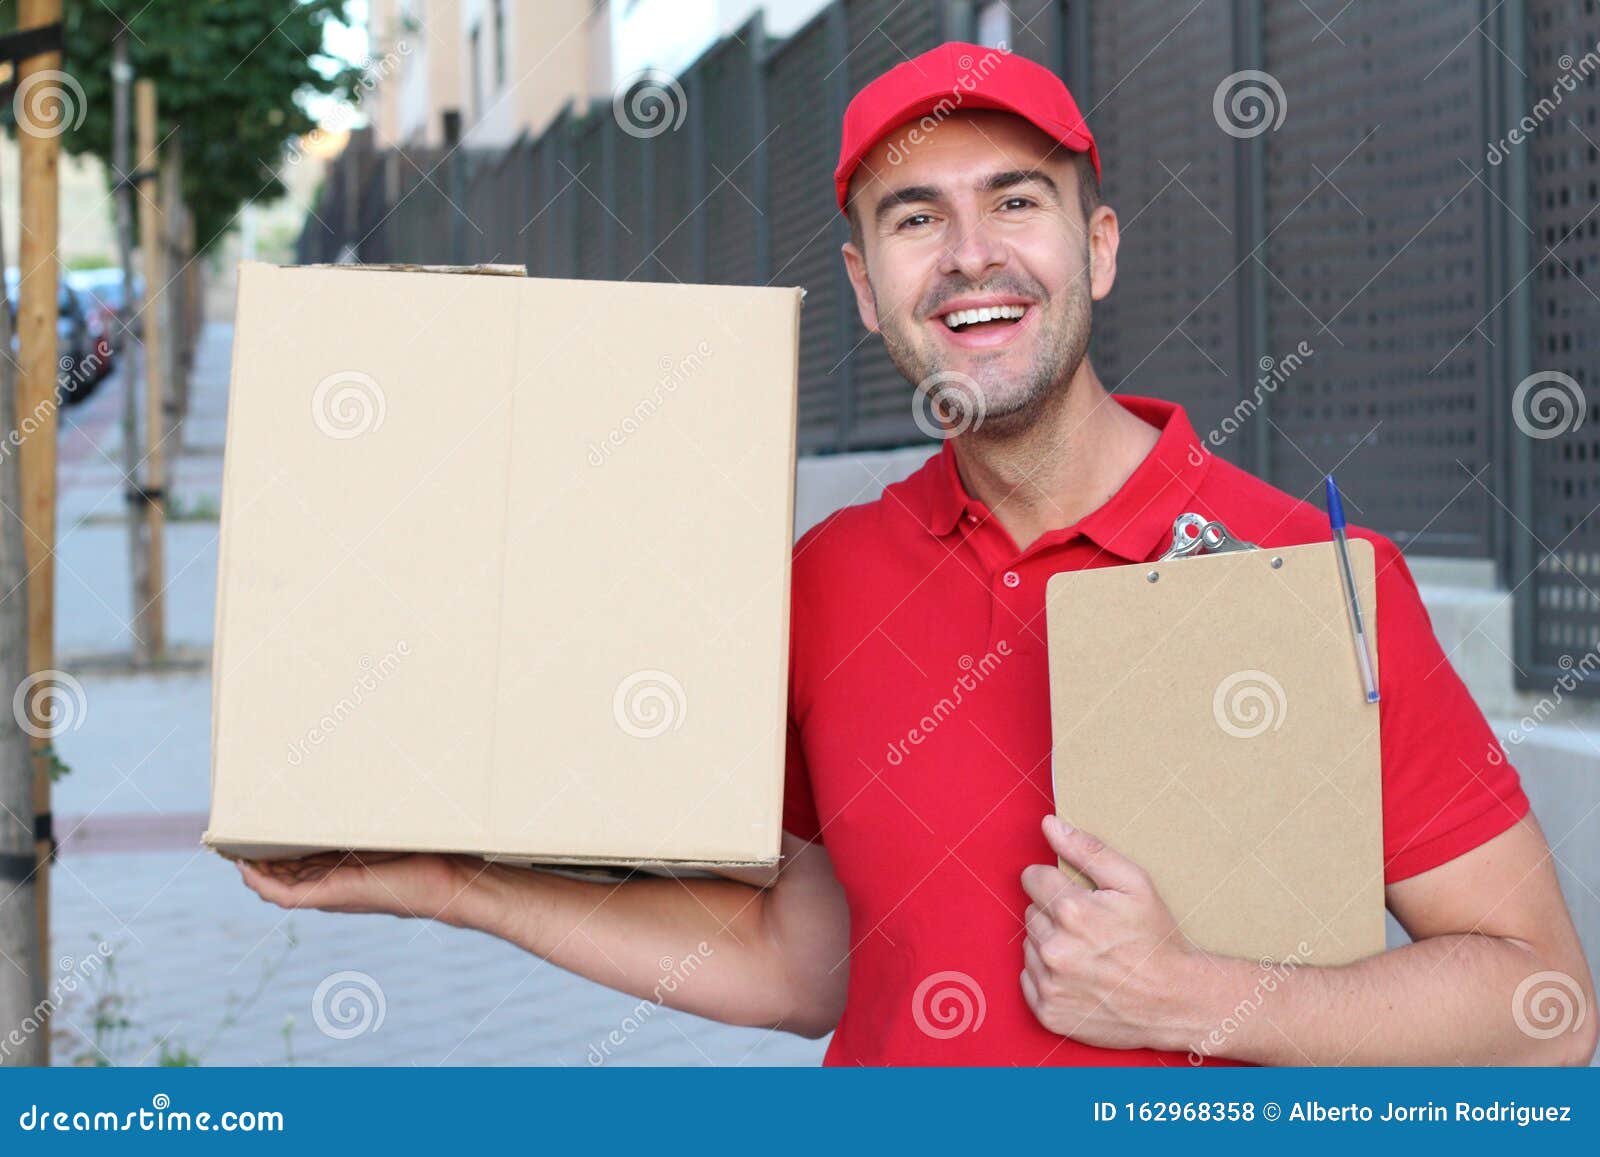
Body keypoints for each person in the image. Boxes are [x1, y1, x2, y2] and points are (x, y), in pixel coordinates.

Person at [240, 42, 1597, 1067]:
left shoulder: (1303, 575)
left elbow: (1549, 1005)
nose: (969, 256)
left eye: (1016, 200)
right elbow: (808, 961)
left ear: (1098, 247)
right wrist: (458, 885)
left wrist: (1197, 993)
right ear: (862, 287)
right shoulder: (825, 582)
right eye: (913, 218)